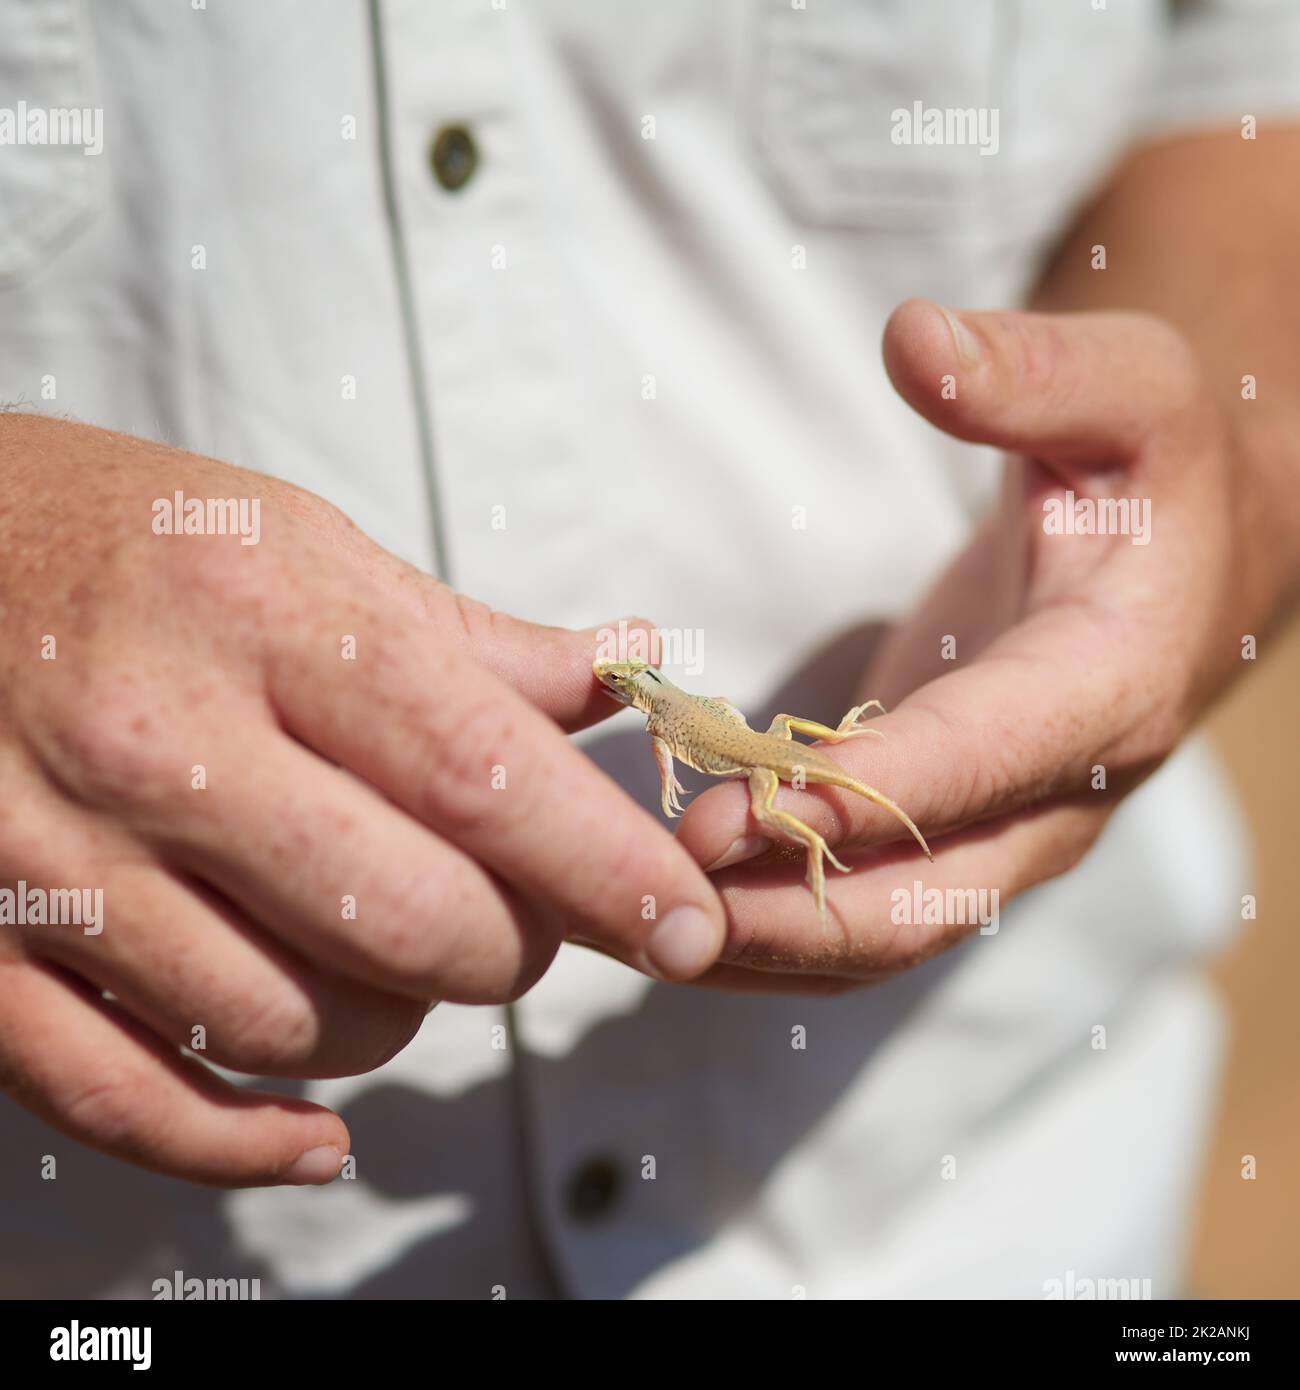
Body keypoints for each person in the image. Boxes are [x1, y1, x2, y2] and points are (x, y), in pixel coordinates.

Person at [0, 0, 1291, 1299]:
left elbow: (1244, 72)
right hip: (131, 1268)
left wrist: (1216, 490)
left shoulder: (681, 724)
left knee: (793, 786)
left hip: (991, 1201)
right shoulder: (650, 709)